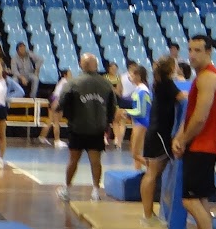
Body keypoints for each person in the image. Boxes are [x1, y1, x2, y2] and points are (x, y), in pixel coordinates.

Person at [173, 33, 216, 229]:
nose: (192, 54)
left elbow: (200, 117)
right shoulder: (202, 78)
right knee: (201, 202)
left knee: (190, 201)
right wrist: (179, 137)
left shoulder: (208, 78)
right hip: (199, 145)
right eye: (190, 49)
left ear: (208, 52)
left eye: (197, 50)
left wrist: (183, 140)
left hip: (202, 147)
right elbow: (192, 115)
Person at [61, 53, 116, 202]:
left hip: (77, 128)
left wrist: (69, 118)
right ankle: (96, 191)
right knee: (95, 161)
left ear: (81, 65)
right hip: (97, 129)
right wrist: (107, 123)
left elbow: (63, 102)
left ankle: (66, 189)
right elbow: (112, 107)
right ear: (96, 65)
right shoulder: (106, 84)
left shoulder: (73, 83)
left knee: (73, 160)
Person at [139, 57, 180, 226]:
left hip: (155, 132)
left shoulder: (159, 83)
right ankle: (148, 216)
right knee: (152, 173)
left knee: (153, 172)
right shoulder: (167, 84)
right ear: (171, 68)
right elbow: (182, 97)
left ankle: (149, 215)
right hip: (159, 134)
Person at [125, 62, 152, 174]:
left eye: (132, 75)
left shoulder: (142, 90)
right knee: (136, 153)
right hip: (137, 123)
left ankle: (153, 168)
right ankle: (138, 173)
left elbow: (141, 112)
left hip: (142, 123)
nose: (130, 77)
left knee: (135, 153)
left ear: (138, 76)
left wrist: (125, 112)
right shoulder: (138, 89)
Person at [42, 68, 72, 147]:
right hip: (56, 100)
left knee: (50, 119)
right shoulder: (65, 82)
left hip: (53, 98)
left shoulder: (62, 81)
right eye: (70, 73)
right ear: (65, 75)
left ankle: (42, 137)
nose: (71, 75)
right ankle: (57, 140)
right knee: (56, 122)